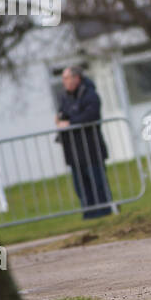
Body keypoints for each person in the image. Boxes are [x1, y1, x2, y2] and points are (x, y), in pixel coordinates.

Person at [55, 66, 113, 219]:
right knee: (81, 186)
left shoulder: (90, 94)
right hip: (74, 151)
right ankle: (89, 213)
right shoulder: (65, 97)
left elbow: (91, 115)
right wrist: (61, 119)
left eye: (67, 78)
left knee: (97, 182)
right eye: (63, 78)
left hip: (91, 148)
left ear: (77, 78)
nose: (64, 82)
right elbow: (62, 114)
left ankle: (105, 211)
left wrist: (70, 122)